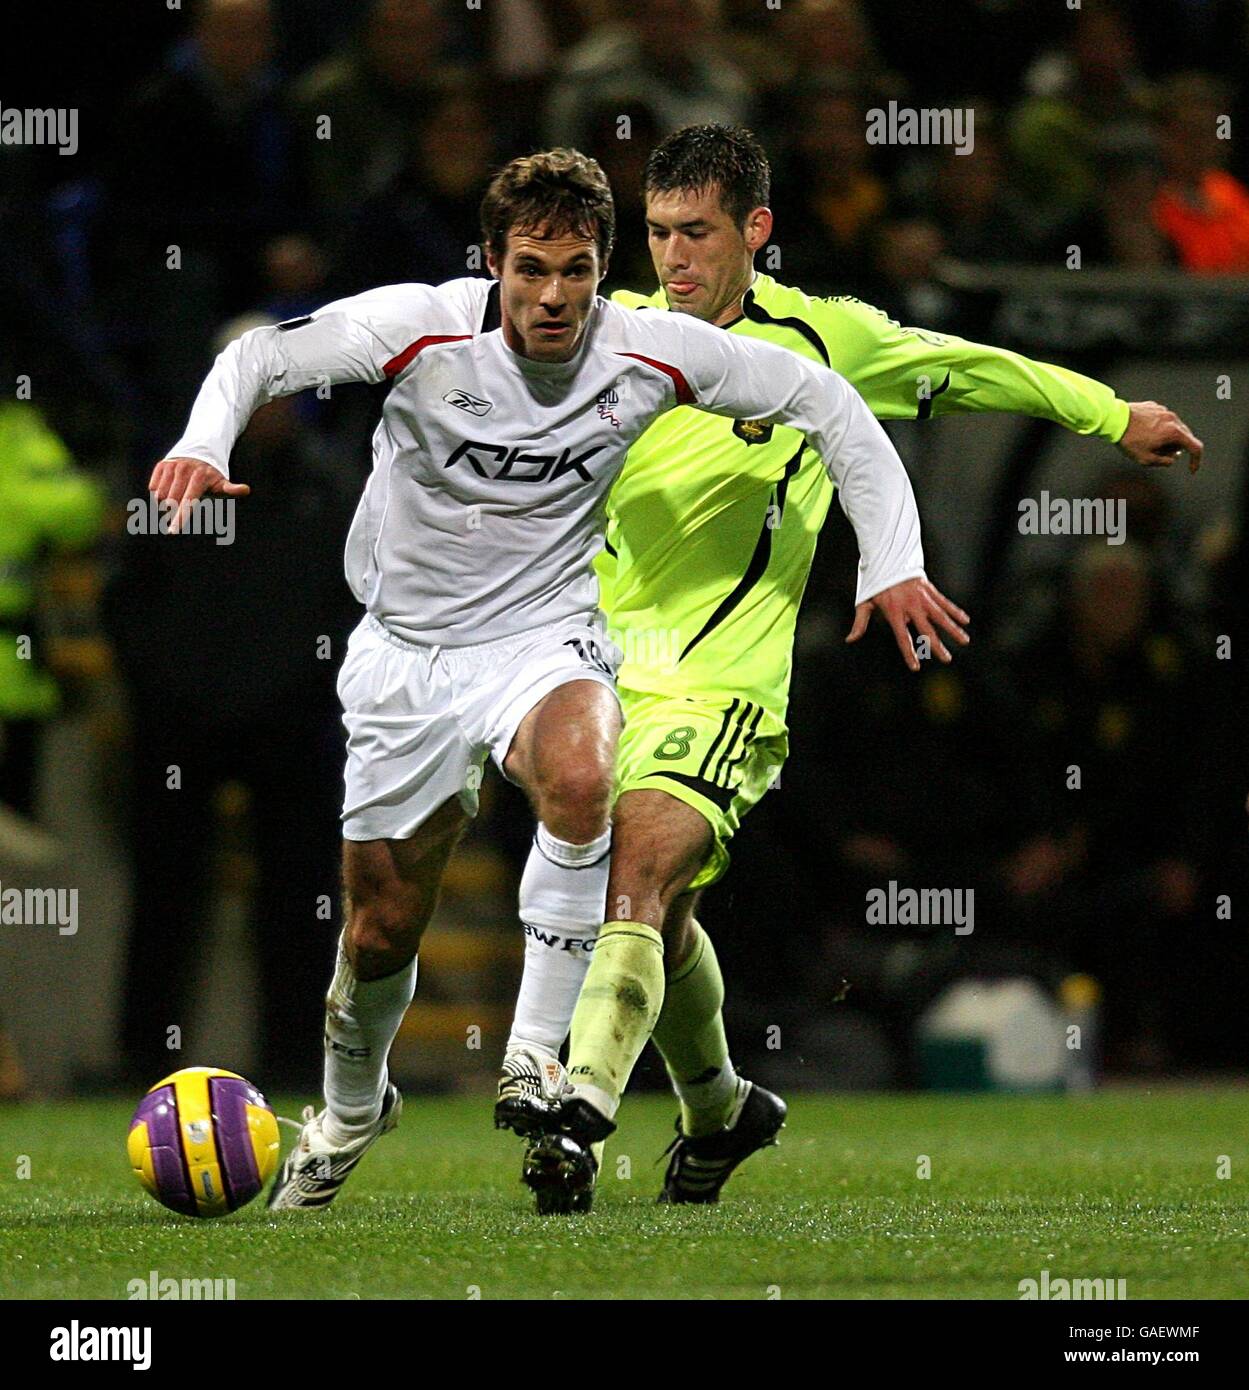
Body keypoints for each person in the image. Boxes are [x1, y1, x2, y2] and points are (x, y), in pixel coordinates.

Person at [148, 148, 960, 1211]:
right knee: (381, 926)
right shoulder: (422, 326)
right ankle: (351, 1108)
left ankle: (536, 1057)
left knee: (584, 775)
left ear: (600, 267)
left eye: (577, 269)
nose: (554, 295)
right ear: (491, 263)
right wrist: (202, 442)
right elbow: (259, 355)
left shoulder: (650, 352)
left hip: (545, 635)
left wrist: (892, 556)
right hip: (408, 654)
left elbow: (833, 407)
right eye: (530, 268)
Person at [499, 124, 1203, 1214]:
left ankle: (575, 1102)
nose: (673, 258)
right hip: (588, 678)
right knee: (661, 913)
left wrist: (1111, 413)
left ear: (756, 230)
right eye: (656, 233)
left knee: (635, 869)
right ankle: (721, 1106)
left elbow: (965, 367)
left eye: (696, 233)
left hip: (722, 684)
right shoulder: (606, 330)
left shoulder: (822, 341)